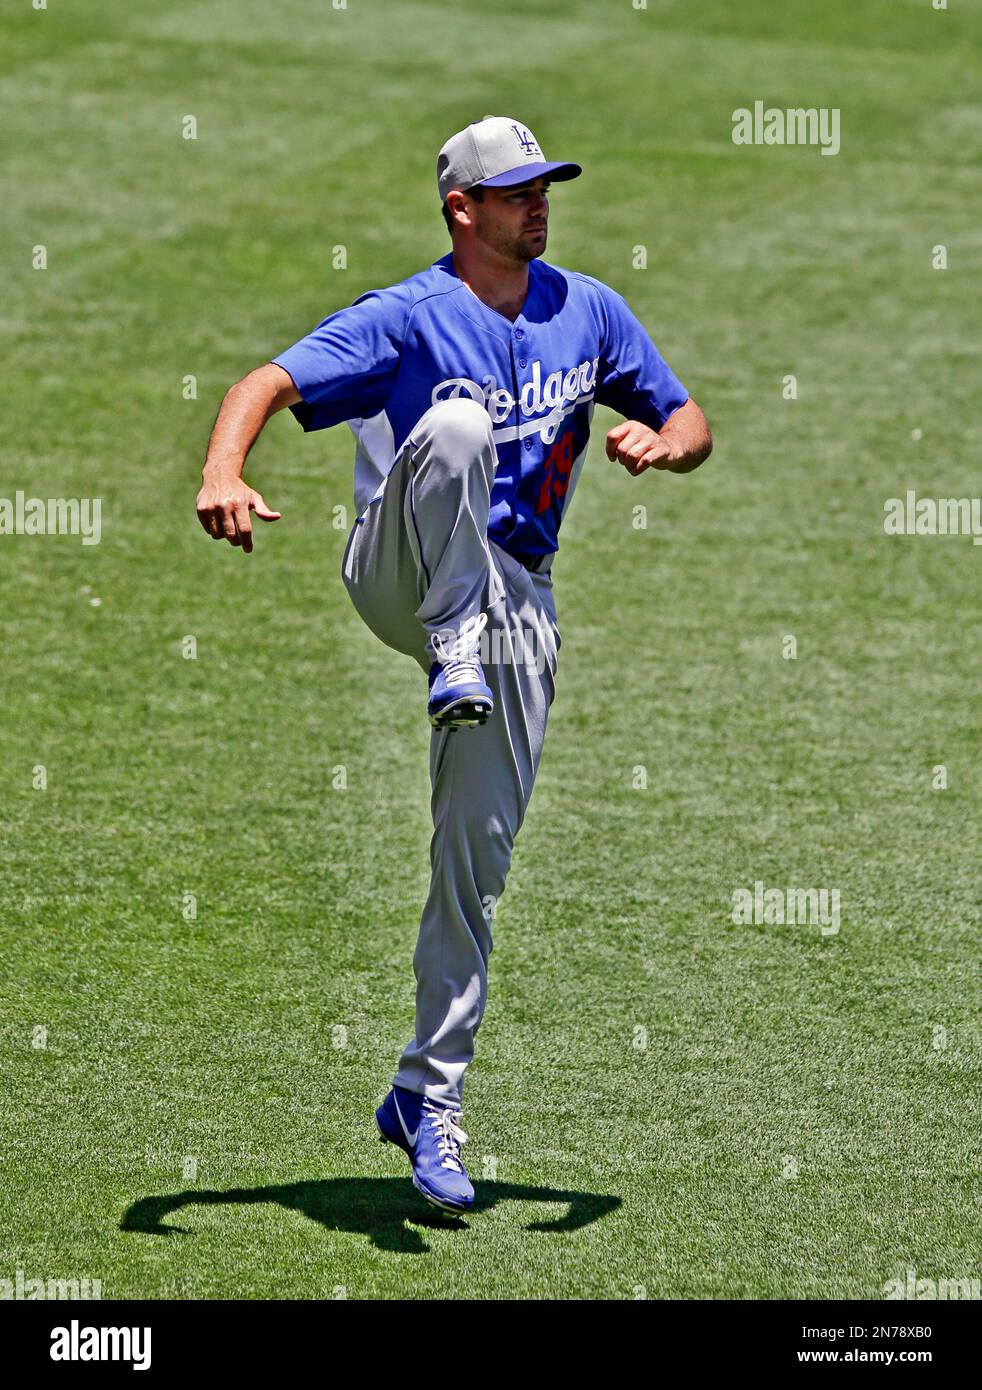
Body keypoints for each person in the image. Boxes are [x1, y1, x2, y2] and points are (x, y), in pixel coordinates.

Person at [195, 116, 712, 1215]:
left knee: (472, 865)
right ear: (460, 209)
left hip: (519, 602)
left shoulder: (589, 308)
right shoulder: (404, 315)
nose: (538, 204)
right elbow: (264, 381)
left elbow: (686, 413)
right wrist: (223, 471)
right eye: (515, 190)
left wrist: (668, 442)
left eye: (544, 187)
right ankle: (450, 641)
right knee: (463, 429)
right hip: (398, 565)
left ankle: (425, 1095)